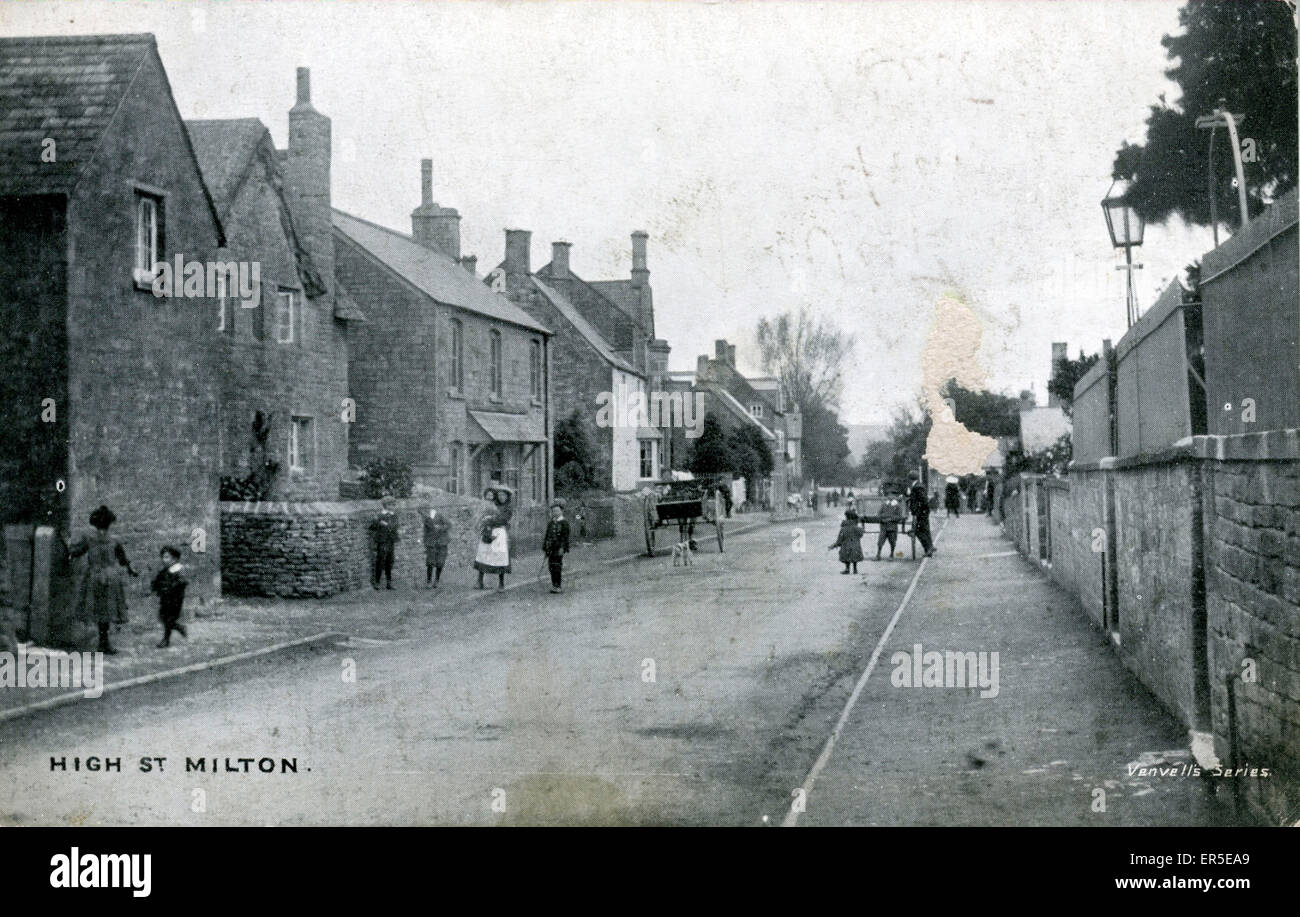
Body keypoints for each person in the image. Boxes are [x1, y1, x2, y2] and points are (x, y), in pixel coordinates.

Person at [67, 505, 138, 655]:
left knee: (99, 610)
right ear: (109, 524)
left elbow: (76, 552)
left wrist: (68, 547)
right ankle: (104, 642)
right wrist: (131, 570)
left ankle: (103, 642)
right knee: (107, 610)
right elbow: (123, 559)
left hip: (95, 576)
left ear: (95, 523)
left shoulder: (89, 538)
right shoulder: (114, 540)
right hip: (112, 577)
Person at [474, 485, 513, 591]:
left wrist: (489, 519)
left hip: (499, 532)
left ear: (507, 497)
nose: (501, 497)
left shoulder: (508, 508)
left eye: (503, 495)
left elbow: (503, 520)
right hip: (488, 531)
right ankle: (480, 581)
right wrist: (485, 520)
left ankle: (501, 583)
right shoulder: (492, 505)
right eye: (499, 495)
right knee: (484, 554)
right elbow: (484, 515)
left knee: (500, 556)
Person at [150, 545, 188, 648]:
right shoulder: (164, 570)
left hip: (175, 599)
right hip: (165, 598)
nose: (164, 560)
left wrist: (172, 587)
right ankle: (179, 627)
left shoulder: (178, 569)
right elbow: (158, 580)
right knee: (163, 617)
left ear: (174, 558)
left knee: (168, 619)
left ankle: (166, 640)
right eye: (163, 557)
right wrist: (155, 586)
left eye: (167, 557)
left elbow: (182, 582)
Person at [369, 496, 400, 590]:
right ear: (385, 505)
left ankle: (389, 583)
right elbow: (372, 527)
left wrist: (384, 524)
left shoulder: (394, 516)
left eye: (393, 505)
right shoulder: (379, 515)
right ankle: (377, 582)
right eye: (390, 505)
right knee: (380, 561)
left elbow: (394, 526)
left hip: (390, 541)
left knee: (389, 561)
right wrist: (377, 522)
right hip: (382, 541)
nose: (393, 506)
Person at [542, 499, 571, 594]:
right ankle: (554, 584)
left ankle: (558, 586)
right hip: (551, 548)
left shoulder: (564, 523)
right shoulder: (551, 523)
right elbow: (547, 536)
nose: (555, 512)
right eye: (554, 511)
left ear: (561, 511)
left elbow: (565, 537)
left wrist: (563, 548)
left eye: (557, 510)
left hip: (559, 548)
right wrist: (545, 547)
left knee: (557, 566)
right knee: (551, 566)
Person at [908, 472, 935, 557]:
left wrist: (917, 510)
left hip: (921, 513)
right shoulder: (918, 485)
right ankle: (930, 546)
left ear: (910, 479)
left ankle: (928, 548)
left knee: (918, 531)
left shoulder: (917, 487)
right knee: (925, 529)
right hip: (923, 512)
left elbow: (923, 500)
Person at [828, 509, 864, 574]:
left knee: (845, 554)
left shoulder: (843, 528)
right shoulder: (856, 528)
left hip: (846, 548)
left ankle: (847, 569)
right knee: (854, 554)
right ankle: (855, 569)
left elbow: (839, 540)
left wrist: (833, 546)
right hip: (856, 548)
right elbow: (861, 534)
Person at [422, 506, 451, 588]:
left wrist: (440, 528)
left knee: (440, 562)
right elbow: (425, 532)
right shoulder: (426, 518)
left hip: (442, 542)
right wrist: (426, 543)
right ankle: (429, 582)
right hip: (431, 543)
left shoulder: (440, 515)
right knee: (430, 562)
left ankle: (437, 581)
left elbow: (449, 524)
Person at [876, 489, 905, 560]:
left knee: (892, 542)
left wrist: (890, 519)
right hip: (883, 526)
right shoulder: (884, 504)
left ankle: (891, 554)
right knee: (880, 541)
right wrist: (883, 519)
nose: (890, 497)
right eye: (889, 495)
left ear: (895, 497)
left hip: (892, 527)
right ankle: (878, 555)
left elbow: (899, 517)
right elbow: (879, 514)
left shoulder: (897, 506)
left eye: (892, 495)